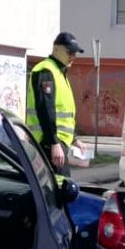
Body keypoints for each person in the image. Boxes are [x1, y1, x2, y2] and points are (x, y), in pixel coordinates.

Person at [27, 30, 81, 174]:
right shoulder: (46, 70)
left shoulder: (59, 72)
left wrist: (74, 139)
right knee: (62, 190)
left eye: (75, 53)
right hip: (47, 143)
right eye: (70, 52)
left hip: (57, 143)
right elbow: (45, 109)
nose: (73, 57)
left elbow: (63, 113)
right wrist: (53, 142)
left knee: (60, 188)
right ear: (56, 49)